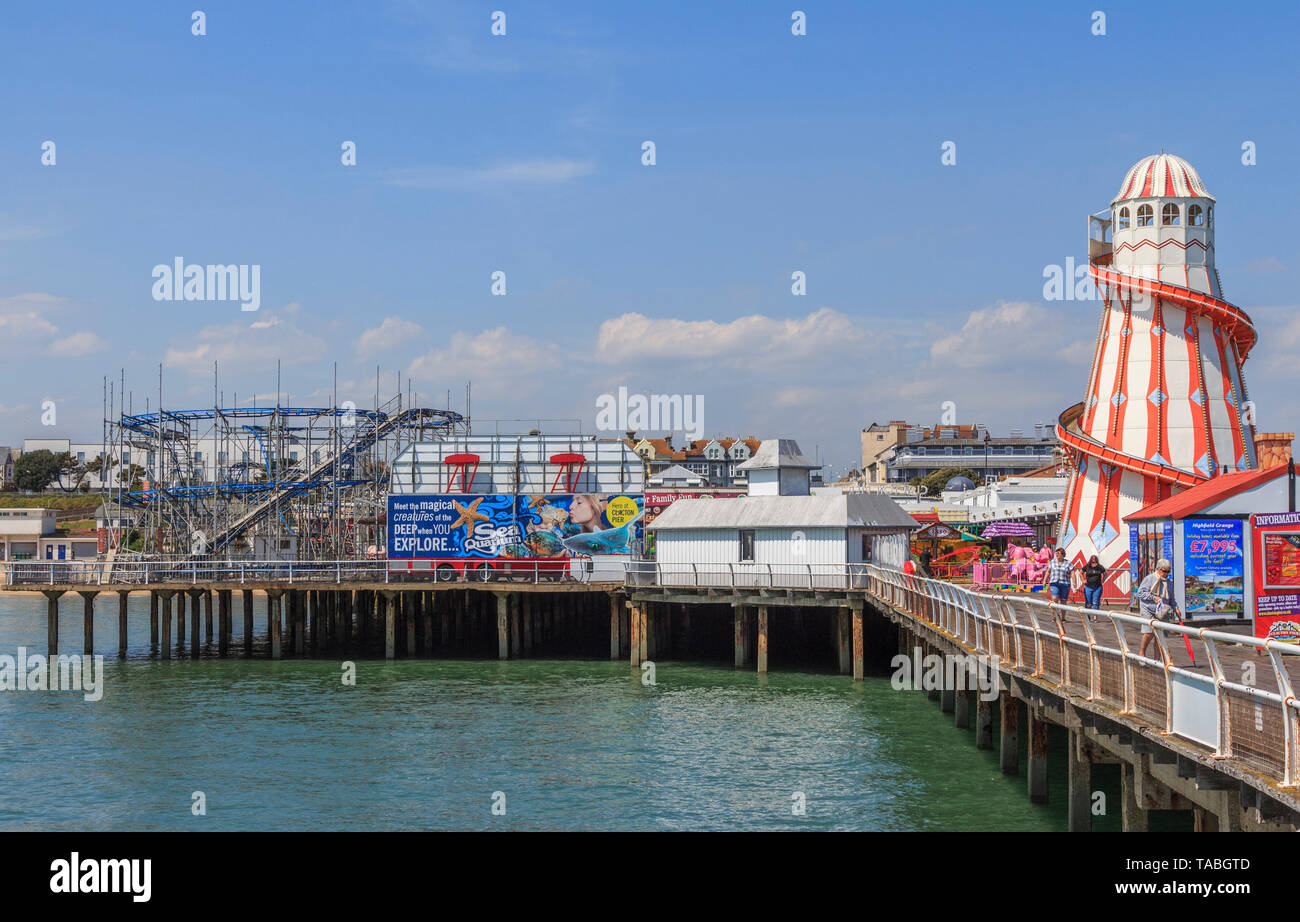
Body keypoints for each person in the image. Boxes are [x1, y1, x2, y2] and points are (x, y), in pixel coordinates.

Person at [1137, 558, 1178, 661]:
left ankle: (1157, 660)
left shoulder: (1169, 582)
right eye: (1164, 571)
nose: (1166, 574)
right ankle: (1142, 653)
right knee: (1149, 632)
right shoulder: (1149, 579)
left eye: (1168, 571)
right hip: (1148, 608)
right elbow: (1140, 593)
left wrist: (1176, 608)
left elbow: (1171, 598)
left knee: (1160, 636)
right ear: (1158, 569)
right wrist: (1153, 598)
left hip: (1163, 610)